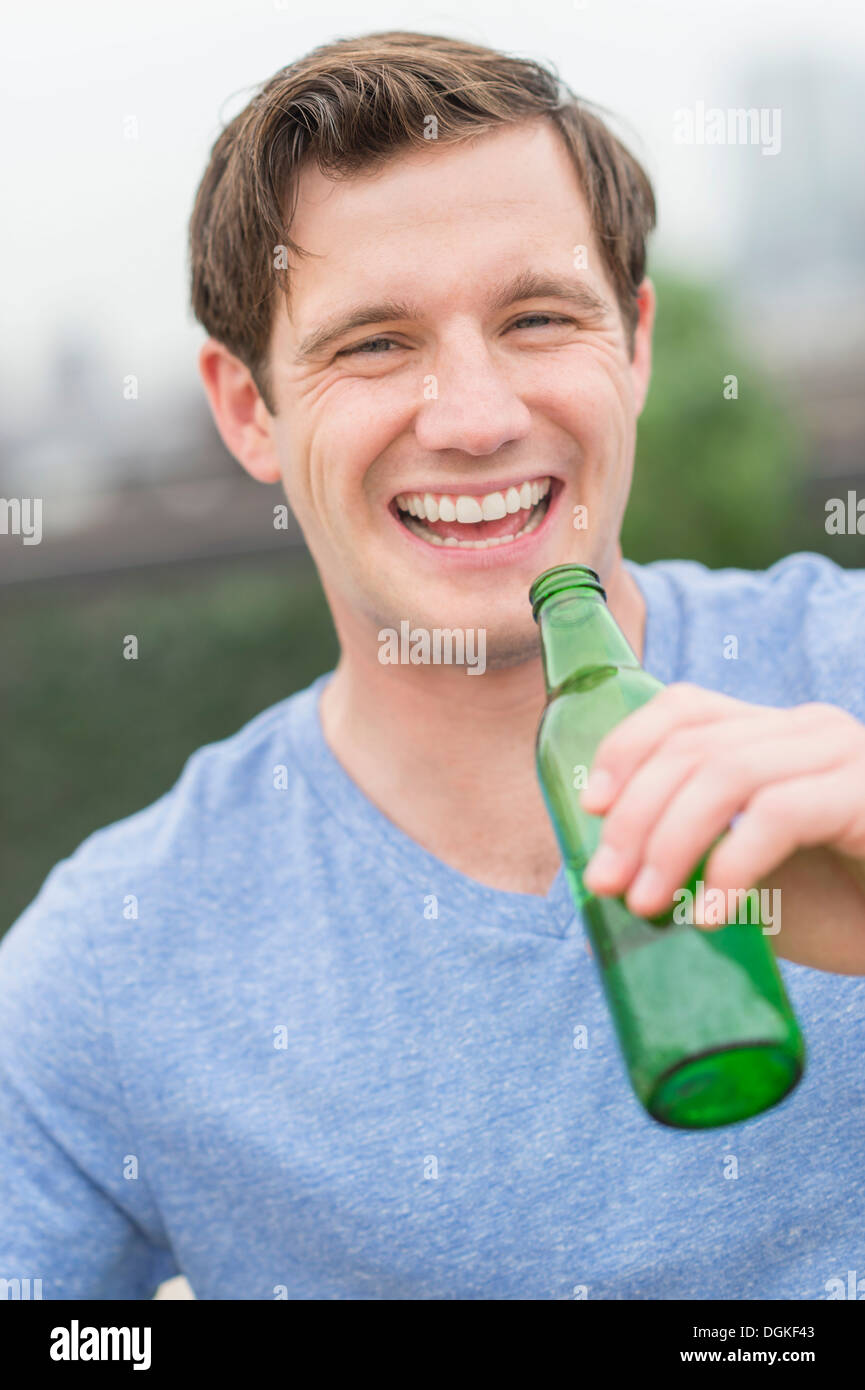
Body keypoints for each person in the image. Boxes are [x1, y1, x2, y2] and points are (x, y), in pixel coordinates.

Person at [2, 30, 864, 1302]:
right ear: (249, 412)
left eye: (536, 316)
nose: (473, 417)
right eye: (372, 345)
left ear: (631, 343)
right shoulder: (111, 966)